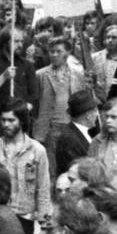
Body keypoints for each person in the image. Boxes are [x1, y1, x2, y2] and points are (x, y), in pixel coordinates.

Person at [0, 98, 52, 234]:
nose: (6, 124)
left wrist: (45, 228)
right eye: (3, 120)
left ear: (21, 121)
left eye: (11, 120)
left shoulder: (37, 150)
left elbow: (43, 190)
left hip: (24, 219)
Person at [34, 35, 92, 178]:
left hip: (71, 126)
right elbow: (36, 102)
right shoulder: (40, 75)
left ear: (67, 53)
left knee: (73, 166)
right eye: (51, 51)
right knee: (51, 169)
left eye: (58, 51)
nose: (54, 55)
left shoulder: (78, 74)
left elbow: (82, 99)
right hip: (49, 128)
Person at [0, 24, 40, 142]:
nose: (20, 45)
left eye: (21, 41)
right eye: (16, 41)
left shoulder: (27, 65)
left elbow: (34, 95)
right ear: (5, 42)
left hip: (21, 118)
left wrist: (24, 109)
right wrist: (4, 76)